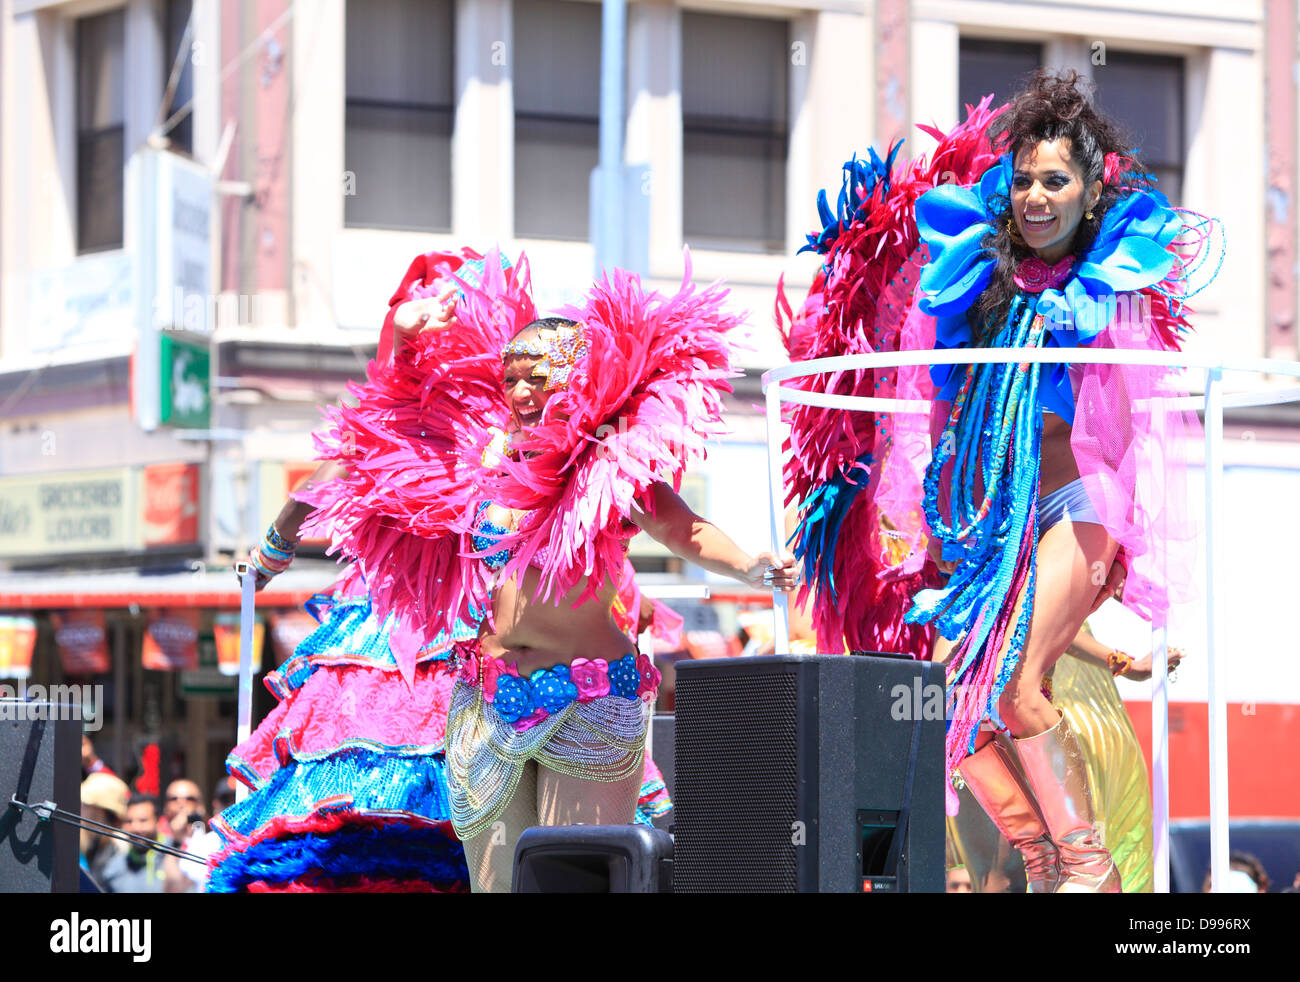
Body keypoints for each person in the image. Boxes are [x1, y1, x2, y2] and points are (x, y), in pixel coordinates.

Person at [781, 70, 1218, 893]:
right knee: (942, 698)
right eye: (1021, 181)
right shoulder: (976, 278)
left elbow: (1138, 423)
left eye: (1055, 180)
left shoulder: (1114, 284)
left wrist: (1089, 326)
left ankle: (1091, 869)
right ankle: (1041, 855)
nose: (1034, 197)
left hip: (1085, 502)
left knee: (1018, 687)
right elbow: (936, 405)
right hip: (1000, 522)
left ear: (1091, 193)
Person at [304, 249, 798, 892]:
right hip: (486, 699)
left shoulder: (610, 462)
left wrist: (750, 564)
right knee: (496, 886)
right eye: (510, 378)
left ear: (576, 376)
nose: (520, 392)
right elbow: (390, 431)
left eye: (537, 375)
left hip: (589, 697)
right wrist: (402, 334)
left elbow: (681, 527)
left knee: (574, 880)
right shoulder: (481, 460)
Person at [100, 794, 167, 893]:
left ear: (158, 821)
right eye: (129, 821)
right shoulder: (113, 868)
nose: (136, 828)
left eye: (143, 820)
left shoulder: (177, 857)